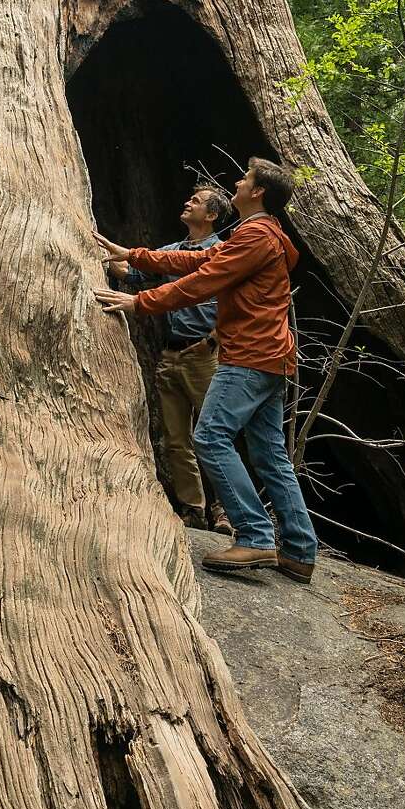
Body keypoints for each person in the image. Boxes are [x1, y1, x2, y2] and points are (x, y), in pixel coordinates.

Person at [95, 158, 318, 582]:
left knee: (211, 437)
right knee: (270, 455)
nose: (237, 182)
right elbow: (198, 259)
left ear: (258, 192)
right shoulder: (258, 234)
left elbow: (204, 280)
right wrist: (134, 256)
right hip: (270, 357)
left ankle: (254, 535)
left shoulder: (256, 235)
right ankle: (299, 551)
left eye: (245, 179)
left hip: (249, 356)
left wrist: (141, 302)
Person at [111, 184, 234, 532]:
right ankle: (193, 509)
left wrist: (214, 340)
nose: (187, 202)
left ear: (211, 215)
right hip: (170, 354)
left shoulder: (223, 253)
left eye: (196, 201)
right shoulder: (170, 252)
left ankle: (224, 511)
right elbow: (133, 275)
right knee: (176, 438)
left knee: (214, 434)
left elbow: (236, 301)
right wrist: (97, 246)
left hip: (205, 355)